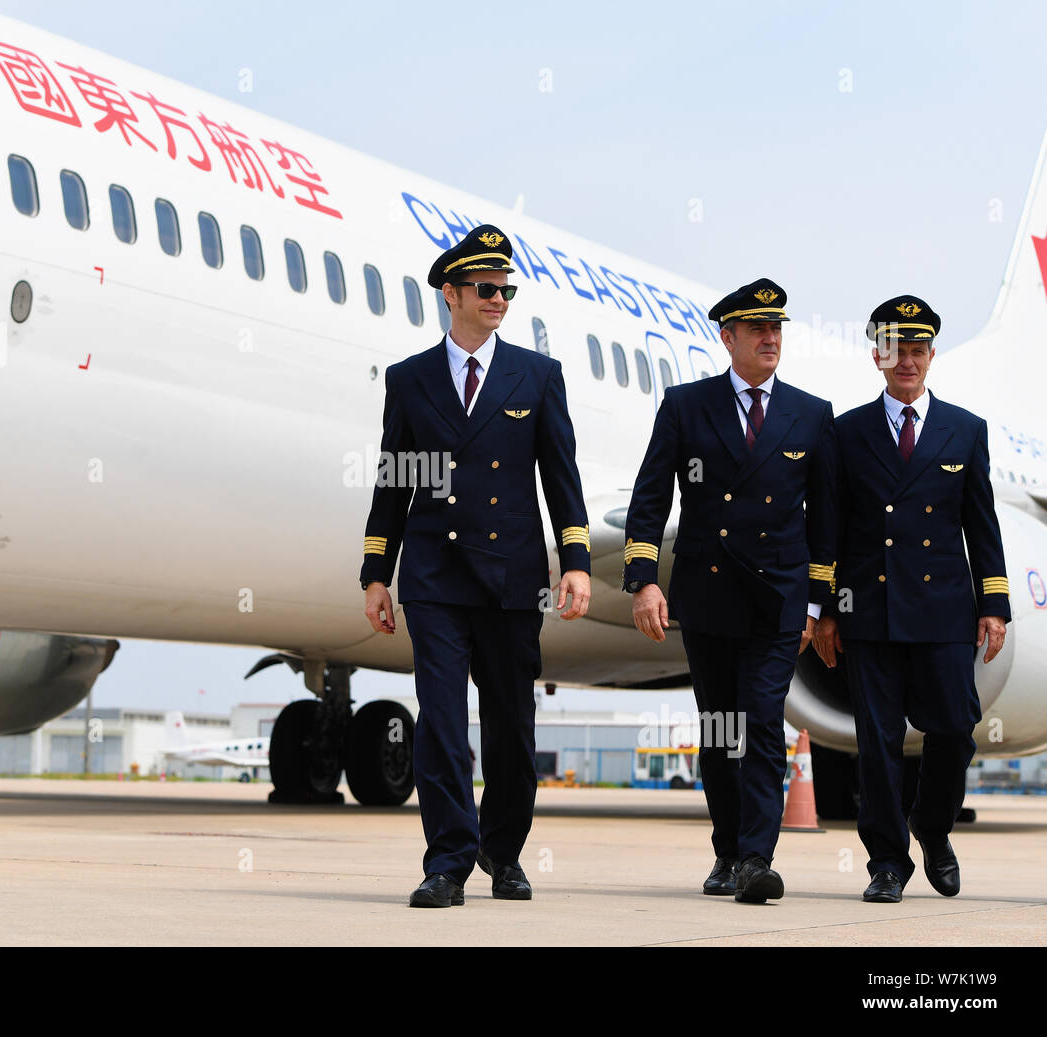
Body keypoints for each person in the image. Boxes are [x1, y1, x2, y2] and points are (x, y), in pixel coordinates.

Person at [359, 225, 592, 908]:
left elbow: (562, 477)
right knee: (439, 718)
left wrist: (574, 561)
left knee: (512, 726)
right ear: (451, 293)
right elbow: (393, 483)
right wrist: (377, 573)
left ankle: (505, 848)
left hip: (512, 576)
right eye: (486, 289)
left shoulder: (537, 376)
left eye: (505, 289)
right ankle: (448, 860)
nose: (499, 299)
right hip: (434, 577)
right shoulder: (409, 381)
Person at [622, 278, 837, 903]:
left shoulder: (810, 413)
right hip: (708, 593)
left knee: (763, 723)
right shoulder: (687, 406)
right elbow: (651, 495)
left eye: (777, 329)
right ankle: (726, 850)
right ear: (729, 337)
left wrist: (818, 604)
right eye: (757, 330)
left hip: (777, 600)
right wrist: (642, 581)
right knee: (720, 729)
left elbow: (825, 520)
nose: (771, 339)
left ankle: (755, 858)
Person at [813, 295, 1010, 903]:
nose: (908, 361)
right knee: (876, 741)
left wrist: (994, 602)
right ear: (877, 355)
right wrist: (822, 608)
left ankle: (933, 827)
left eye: (918, 350)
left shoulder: (965, 430)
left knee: (955, 728)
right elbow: (829, 525)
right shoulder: (845, 433)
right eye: (896, 349)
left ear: (931, 356)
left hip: (944, 611)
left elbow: (981, 522)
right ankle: (888, 863)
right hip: (869, 611)